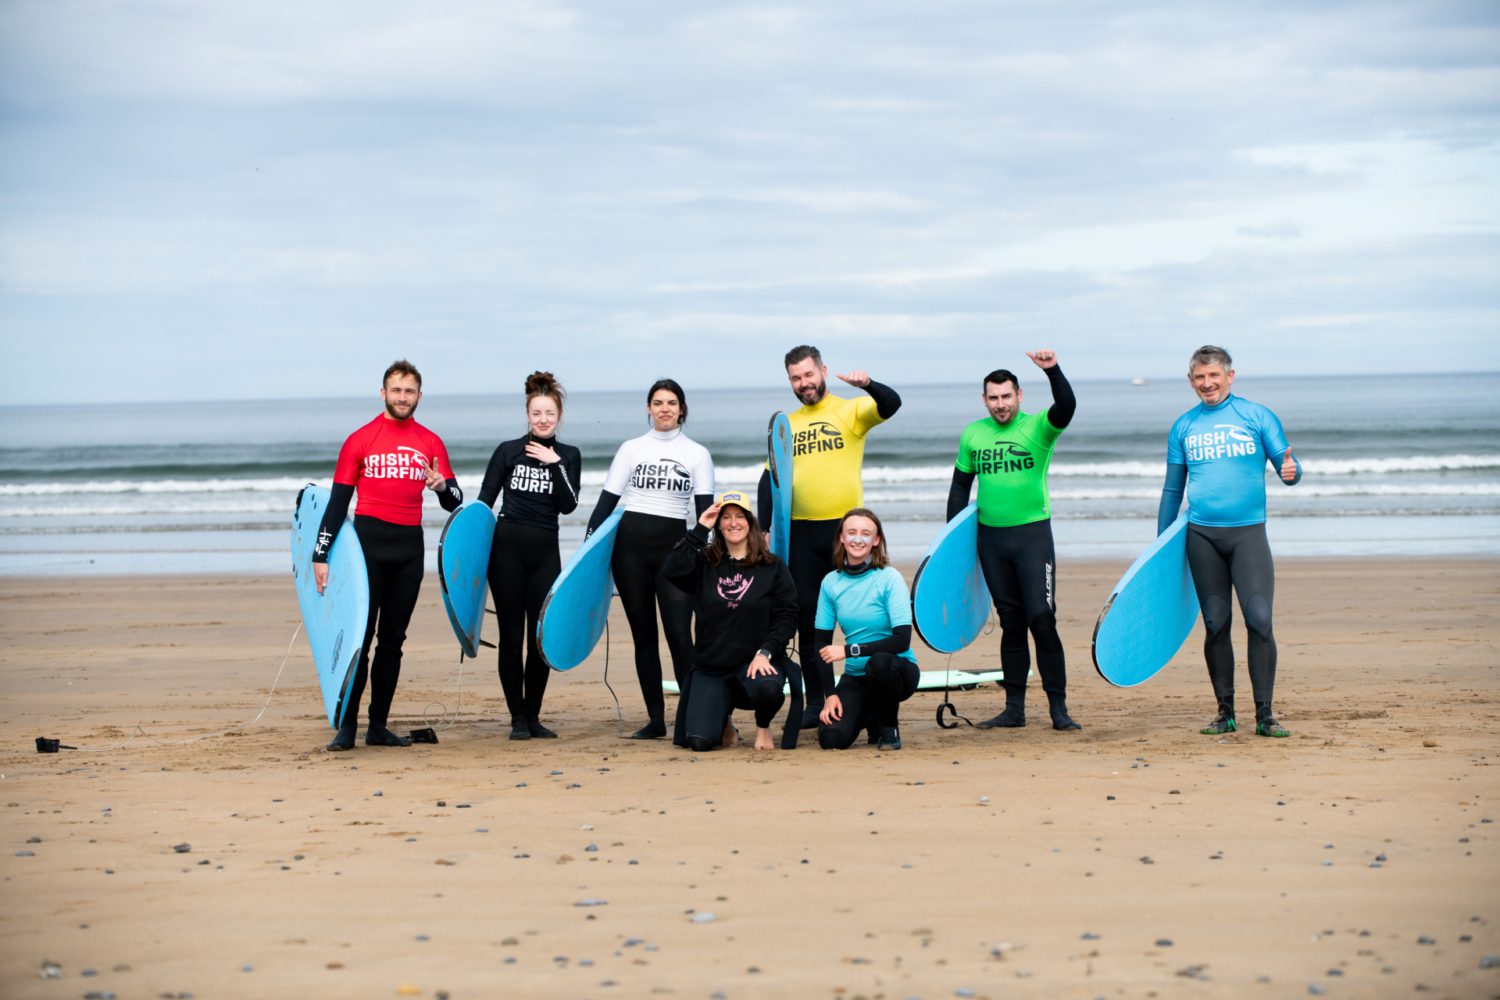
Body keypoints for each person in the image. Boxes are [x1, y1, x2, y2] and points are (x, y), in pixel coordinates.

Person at [312, 359, 462, 751]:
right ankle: (347, 727)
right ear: (383, 393)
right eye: (396, 390)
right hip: (367, 550)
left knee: (393, 641)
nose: (402, 397)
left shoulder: (430, 443)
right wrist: (320, 554)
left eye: (409, 391)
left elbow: (456, 503)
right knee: (360, 640)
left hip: (409, 550)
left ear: (419, 396)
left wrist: (442, 487)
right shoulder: (360, 440)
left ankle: (377, 725)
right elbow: (337, 504)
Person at [1159, 345, 1302, 738]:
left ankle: (1265, 715)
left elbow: (1287, 465)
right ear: (1191, 381)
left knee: (1259, 620)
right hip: (1201, 536)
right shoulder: (1183, 426)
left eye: (1214, 376)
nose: (1207, 383)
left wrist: (1291, 471)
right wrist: (1160, 547)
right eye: (1199, 377)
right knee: (1215, 623)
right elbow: (1173, 491)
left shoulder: (1256, 416)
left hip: (1248, 535)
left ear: (1230, 376)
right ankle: (1225, 713)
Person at [758, 345, 901, 729]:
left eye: (808, 374)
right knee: (809, 621)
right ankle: (815, 701)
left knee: (866, 617)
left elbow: (892, 404)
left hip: (846, 532)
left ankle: (868, 696)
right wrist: (765, 528)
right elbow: (769, 478)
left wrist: (868, 384)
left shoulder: (851, 411)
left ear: (823, 370)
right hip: (802, 533)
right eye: (795, 378)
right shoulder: (788, 424)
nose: (803, 383)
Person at [946, 350, 1081, 732]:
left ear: (1019, 395)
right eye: (993, 397)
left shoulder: (1039, 427)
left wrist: (1052, 370)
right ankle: (1014, 708)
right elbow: (959, 489)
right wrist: (951, 544)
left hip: (1033, 535)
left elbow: (1067, 405)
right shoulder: (974, 434)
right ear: (984, 399)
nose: (1000, 404)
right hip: (991, 539)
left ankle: (1059, 709)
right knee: (1011, 621)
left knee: (1042, 617)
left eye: (1006, 396)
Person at [586, 379, 715, 739]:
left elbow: (706, 515)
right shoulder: (631, 449)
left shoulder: (697, 454)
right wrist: (586, 553)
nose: (665, 409)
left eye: (672, 403)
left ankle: (692, 716)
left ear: (682, 409)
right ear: (648, 408)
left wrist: (702, 554)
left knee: (679, 635)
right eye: (658, 402)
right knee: (643, 637)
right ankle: (656, 720)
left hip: (676, 554)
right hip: (629, 551)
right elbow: (606, 503)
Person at [476, 371, 582, 741]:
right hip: (505, 554)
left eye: (549, 414)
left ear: (559, 417)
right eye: (537, 413)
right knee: (511, 637)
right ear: (527, 414)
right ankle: (517, 718)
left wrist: (554, 464)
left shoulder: (568, 456)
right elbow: (483, 505)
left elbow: (568, 505)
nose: (543, 419)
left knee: (542, 637)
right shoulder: (507, 451)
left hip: (544, 555)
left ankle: (534, 715)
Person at [661, 490, 801, 751]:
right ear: (718, 524)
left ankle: (763, 726)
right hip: (712, 666)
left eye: (739, 516)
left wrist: (766, 652)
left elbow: (787, 616)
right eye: (725, 518)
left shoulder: (772, 566)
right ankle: (724, 721)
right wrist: (701, 528)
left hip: (754, 664)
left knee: (770, 689)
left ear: (750, 522)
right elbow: (672, 570)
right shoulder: (706, 562)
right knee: (699, 742)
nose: (733, 523)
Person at [814, 508, 920, 750]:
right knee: (831, 739)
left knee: (880, 662)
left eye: (865, 533)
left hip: (897, 672)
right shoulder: (831, 583)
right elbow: (820, 645)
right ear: (842, 537)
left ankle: (889, 728)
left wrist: (849, 651)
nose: (857, 539)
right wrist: (830, 694)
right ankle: (871, 713)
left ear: (876, 540)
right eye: (851, 532)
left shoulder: (889, 578)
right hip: (856, 677)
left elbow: (901, 640)